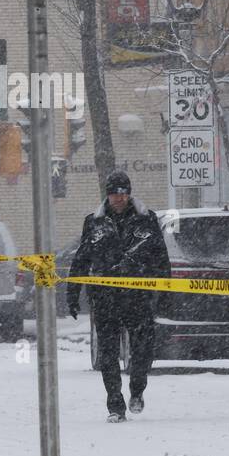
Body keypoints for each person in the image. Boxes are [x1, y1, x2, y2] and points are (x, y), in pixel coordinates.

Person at [68, 170, 171, 422]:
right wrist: (73, 293)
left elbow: (161, 257)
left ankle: (137, 388)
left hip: (138, 297)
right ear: (107, 195)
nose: (119, 198)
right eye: (114, 194)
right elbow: (81, 259)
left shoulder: (147, 220)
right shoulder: (94, 222)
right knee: (108, 353)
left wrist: (165, 293)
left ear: (129, 194)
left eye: (123, 193)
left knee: (143, 349)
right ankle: (115, 403)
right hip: (105, 299)